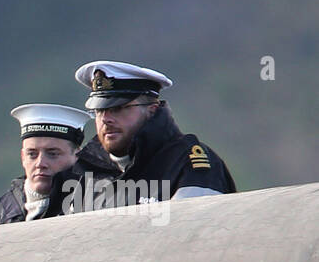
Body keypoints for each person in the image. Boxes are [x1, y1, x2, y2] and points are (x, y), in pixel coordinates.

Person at [73, 60, 236, 205]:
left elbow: (196, 233)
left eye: (118, 108)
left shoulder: (189, 163)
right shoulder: (90, 173)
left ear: (152, 110)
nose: (106, 119)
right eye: (99, 110)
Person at [0, 104, 109, 224]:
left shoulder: (96, 208)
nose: (40, 163)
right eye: (32, 154)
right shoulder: (5, 217)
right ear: (23, 158)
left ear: (77, 156)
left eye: (52, 154)